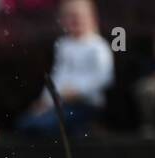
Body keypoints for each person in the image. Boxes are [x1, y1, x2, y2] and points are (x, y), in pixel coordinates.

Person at [18, 0, 113, 138]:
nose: (75, 21)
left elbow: (104, 77)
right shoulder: (63, 45)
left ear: (91, 18)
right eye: (70, 16)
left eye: (79, 16)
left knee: (43, 127)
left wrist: (77, 91)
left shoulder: (98, 46)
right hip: (61, 104)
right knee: (25, 124)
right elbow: (57, 76)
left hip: (85, 104)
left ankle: (85, 129)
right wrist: (45, 100)